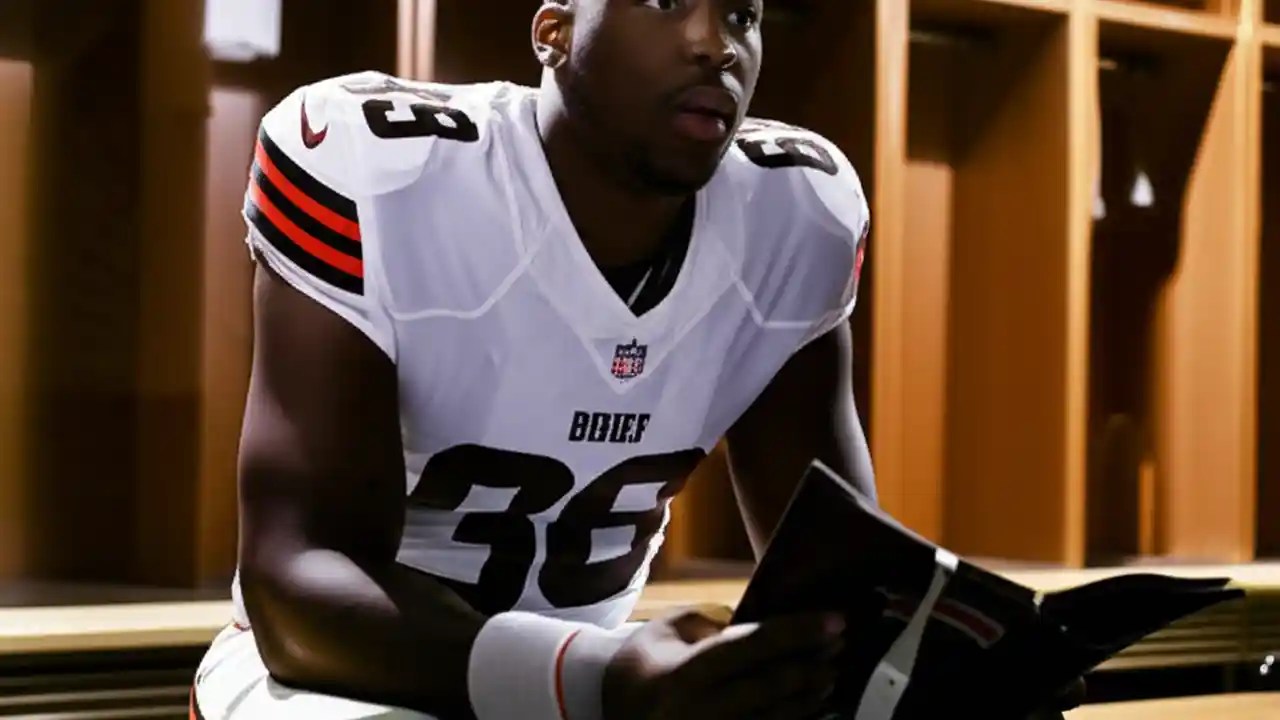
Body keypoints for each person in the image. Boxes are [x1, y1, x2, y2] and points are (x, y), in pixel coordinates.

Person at [191, 1, 1077, 718]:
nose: (713, 44)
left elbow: (837, 566)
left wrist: (948, 666)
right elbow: (294, 588)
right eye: (664, 2)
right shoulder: (385, 168)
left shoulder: (795, 212)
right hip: (334, 678)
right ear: (555, 30)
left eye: (743, 14)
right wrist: (599, 680)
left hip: (608, 675)